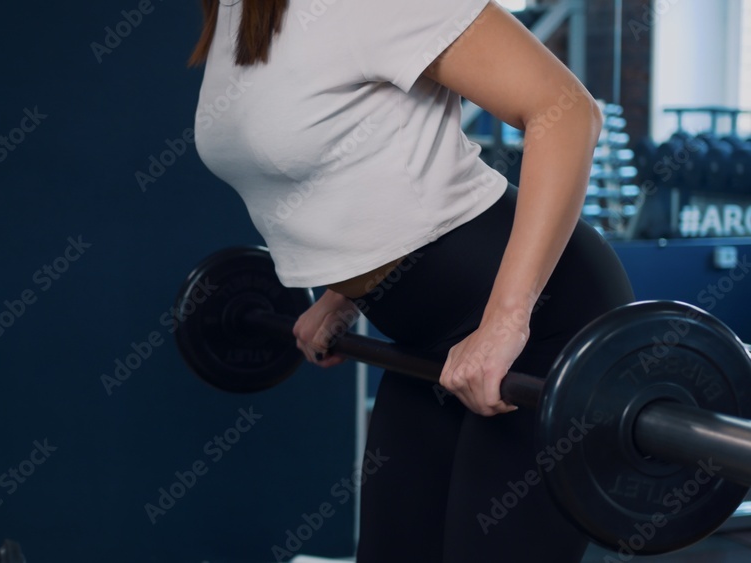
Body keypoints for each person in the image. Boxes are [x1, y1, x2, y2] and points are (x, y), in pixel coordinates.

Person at [190, 0, 635, 561]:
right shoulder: (239, 9)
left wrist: (504, 323)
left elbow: (567, 111)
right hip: (427, 335)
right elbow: (358, 148)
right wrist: (343, 293)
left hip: (542, 323)